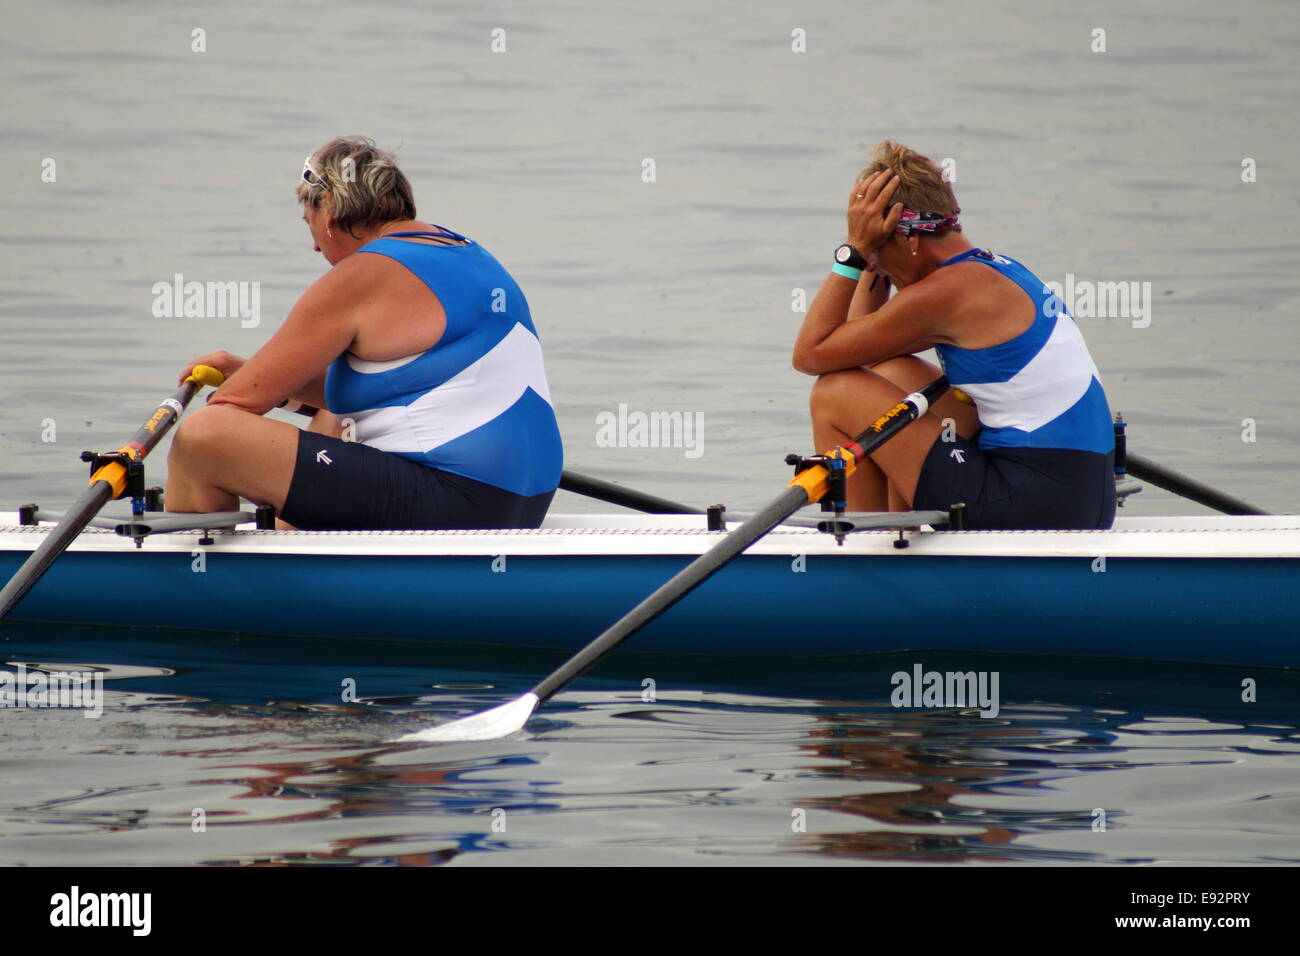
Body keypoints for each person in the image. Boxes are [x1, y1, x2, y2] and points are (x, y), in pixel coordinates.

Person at [167, 136, 563, 530]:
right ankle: (285, 544)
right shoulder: (465, 252)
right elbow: (390, 389)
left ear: (331, 212)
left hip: (454, 500)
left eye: (310, 224)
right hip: (520, 501)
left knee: (204, 437)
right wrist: (253, 373)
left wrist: (251, 386)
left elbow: (234, 404)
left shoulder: (362, 275)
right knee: (334, 416)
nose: (316, 249)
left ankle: (194, 575)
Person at [792, 140, 1115, 530]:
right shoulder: (993, 270)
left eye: (879, 248)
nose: (873, 265)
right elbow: (864, 355)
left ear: (910, 239)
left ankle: (866, 553)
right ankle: (896, 531)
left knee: (834, 393)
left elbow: (811, 354)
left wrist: (854, 251)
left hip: (1029, 500)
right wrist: (876, 252)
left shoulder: (947, 293)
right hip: (1079, 496)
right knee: (894, 374)